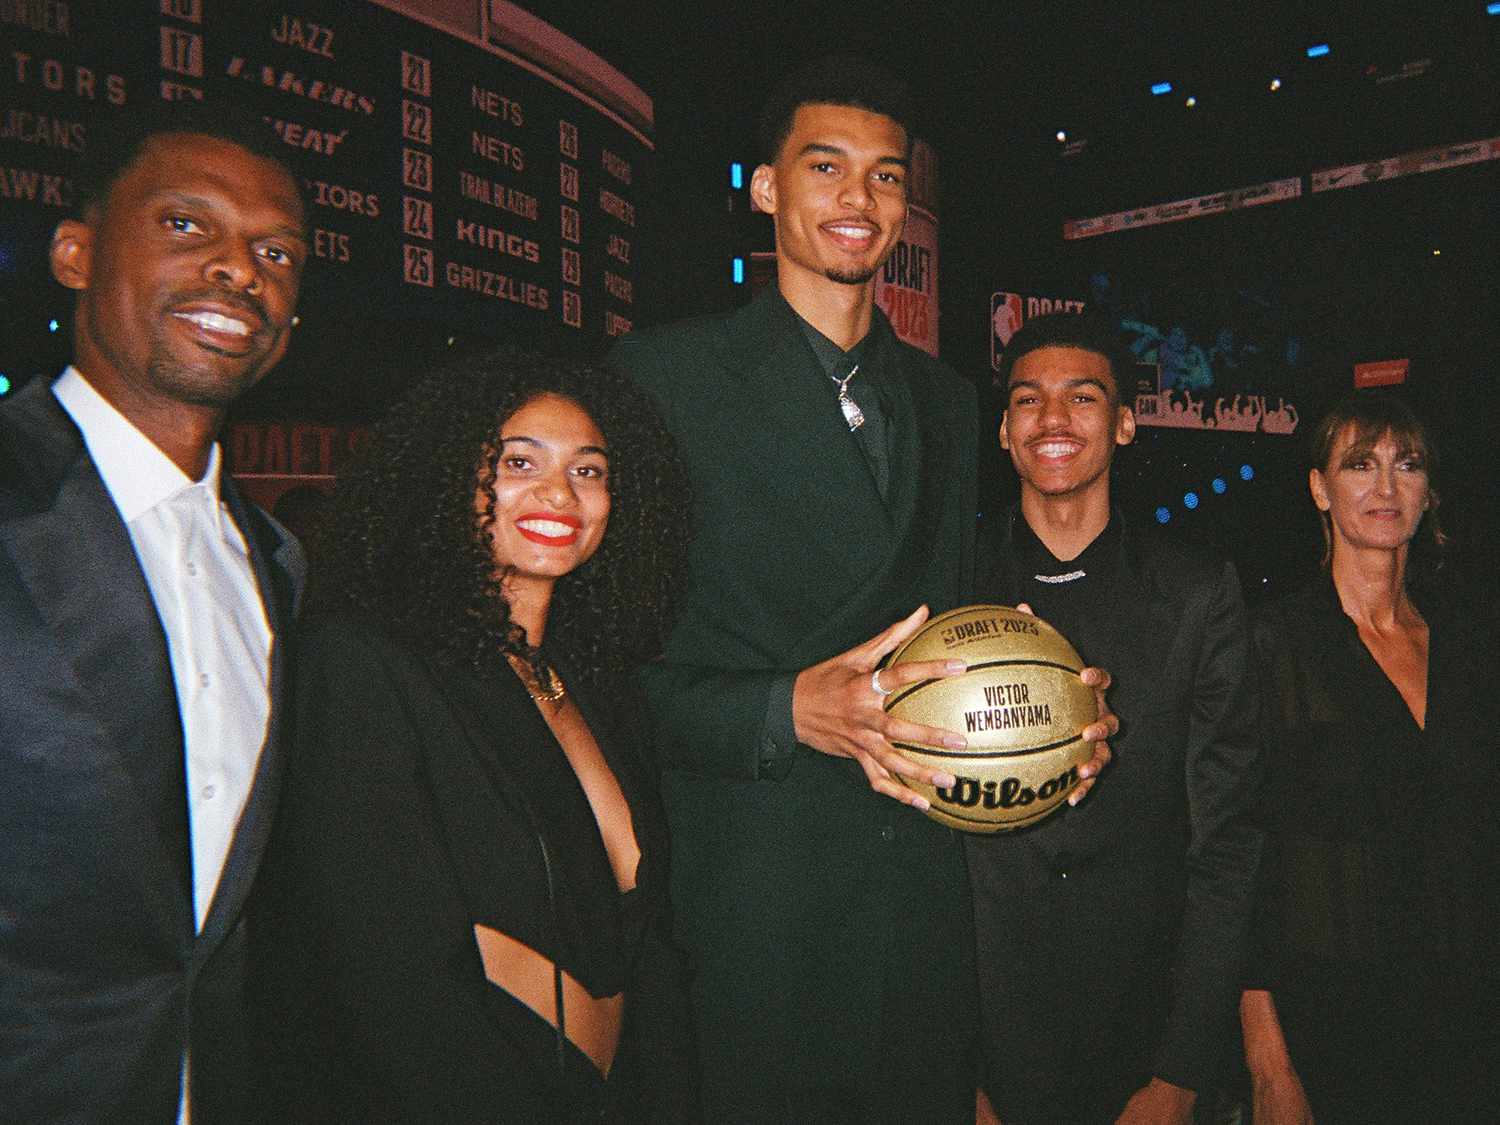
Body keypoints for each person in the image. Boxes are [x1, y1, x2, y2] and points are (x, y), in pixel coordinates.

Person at [610, 57, 1112, 1123]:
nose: (860, 197)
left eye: (886, 176)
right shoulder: (662, 381)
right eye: (825, 166)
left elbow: (956, 633)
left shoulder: (946, 402)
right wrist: (784, 709)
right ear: (765, 187)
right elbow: (602, 672)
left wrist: (1050, 715)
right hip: (751, 916)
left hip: (918, 916)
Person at [247, 353, 698, 1123]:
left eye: (589, 470)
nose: (560, 492)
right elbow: (385, 975)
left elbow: (648, 945)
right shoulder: (364, 662)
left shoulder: (595, 683)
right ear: (448, 477)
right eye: (520, 462)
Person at [0, 103, 307, 1123]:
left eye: (276, 253)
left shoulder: (279, 566)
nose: (239, 270)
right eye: (186, 224)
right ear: (76, 254)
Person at [970, 313, 1262, 1124]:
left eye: (1082, 396)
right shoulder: (950, 584)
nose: (1052, 419)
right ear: (1004, 430)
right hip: (982, 1044)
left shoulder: (1198, 593)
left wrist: (1182, 1071)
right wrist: (948, 1069)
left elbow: (1226, 843)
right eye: (1027, 399)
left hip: (1143, 1041)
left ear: (1126, 423)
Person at [1238, 393, 1500, 1124]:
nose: (1386, 486)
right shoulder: (1271, 643)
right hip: (1333, 1027)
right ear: (1319, 488)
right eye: (1360, 464)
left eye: (1406, 465)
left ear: (1429, 490)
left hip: (1471, 1021)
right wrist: (1268, 1064)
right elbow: (1240, 861)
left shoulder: (1471, 642)